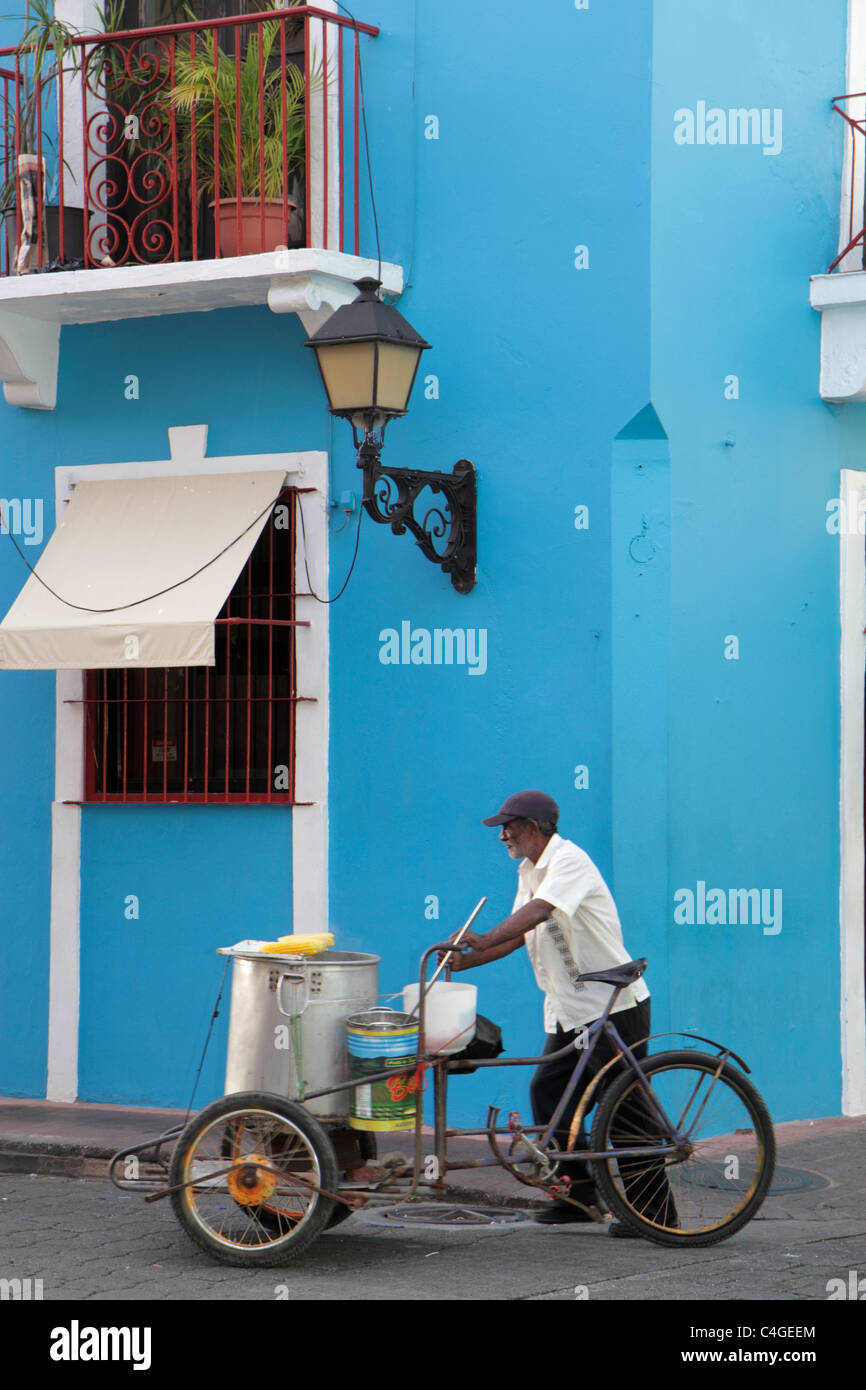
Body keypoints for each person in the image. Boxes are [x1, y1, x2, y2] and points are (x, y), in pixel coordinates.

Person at [445, 789, 677, 1234]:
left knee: (623, 1109)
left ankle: (656, 1214)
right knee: (549, 1093)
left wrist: (484, 937)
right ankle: (578, 1195)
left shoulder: (570, 861)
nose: (502, 836)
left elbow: (539, 912)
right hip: (572, 1011)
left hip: (612, 1007)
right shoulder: (529, 870)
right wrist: (466, 960)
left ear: (532, 827)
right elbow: (522, 933)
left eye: (508, 827)